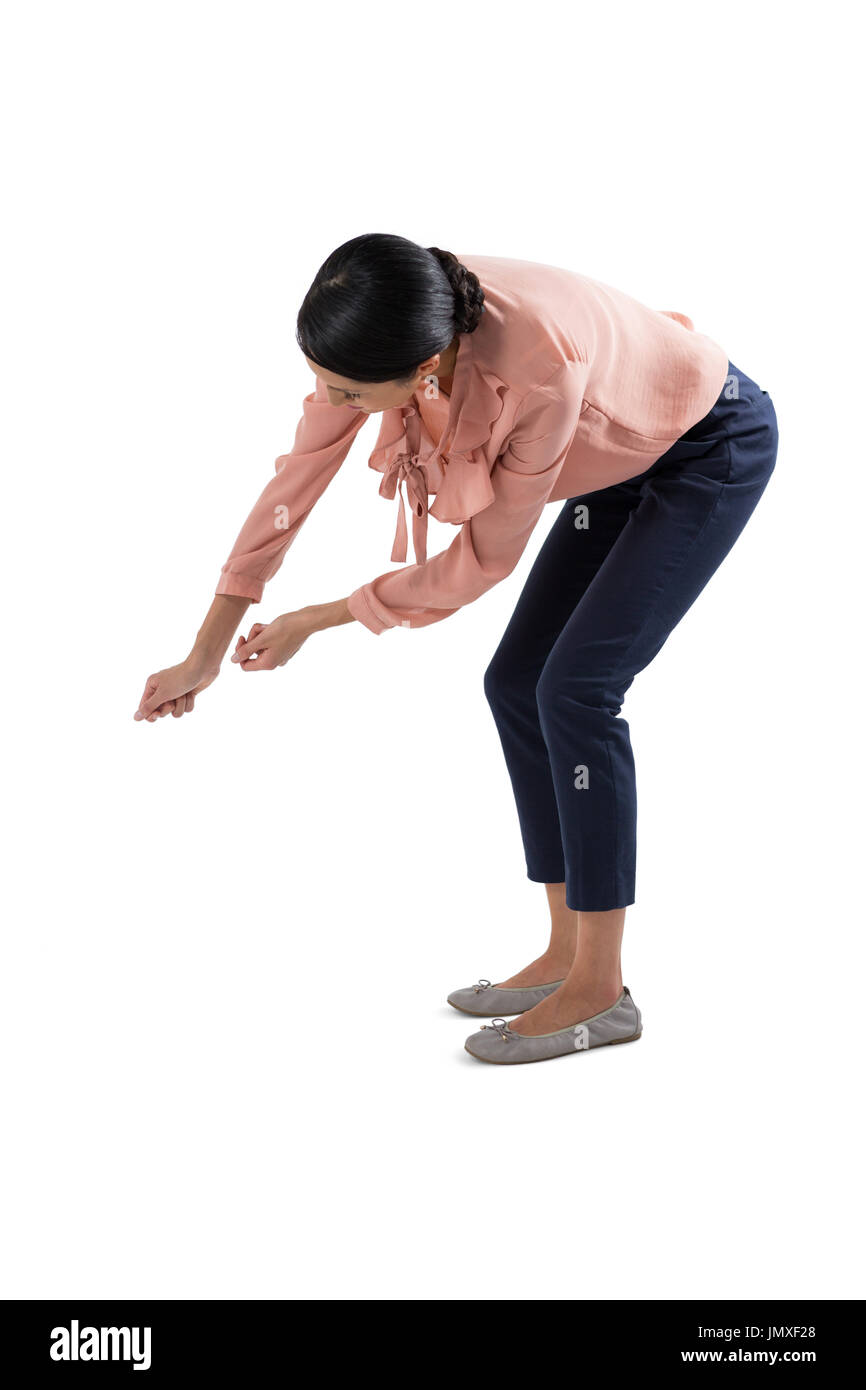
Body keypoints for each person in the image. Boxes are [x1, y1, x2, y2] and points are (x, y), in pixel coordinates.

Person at [134, 233, 778, 1065]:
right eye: (323, 381)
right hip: (612, 460)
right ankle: (562, 952)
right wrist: (204, 651)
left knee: (577, 691)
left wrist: (321, 618)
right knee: (516, 682)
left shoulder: (535, 368)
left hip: (705, 447)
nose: (330, 400)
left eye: (349, 393)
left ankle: (602, 990)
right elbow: (291, 486)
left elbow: (484, 560)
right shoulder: (383, 324)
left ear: (428, 364)